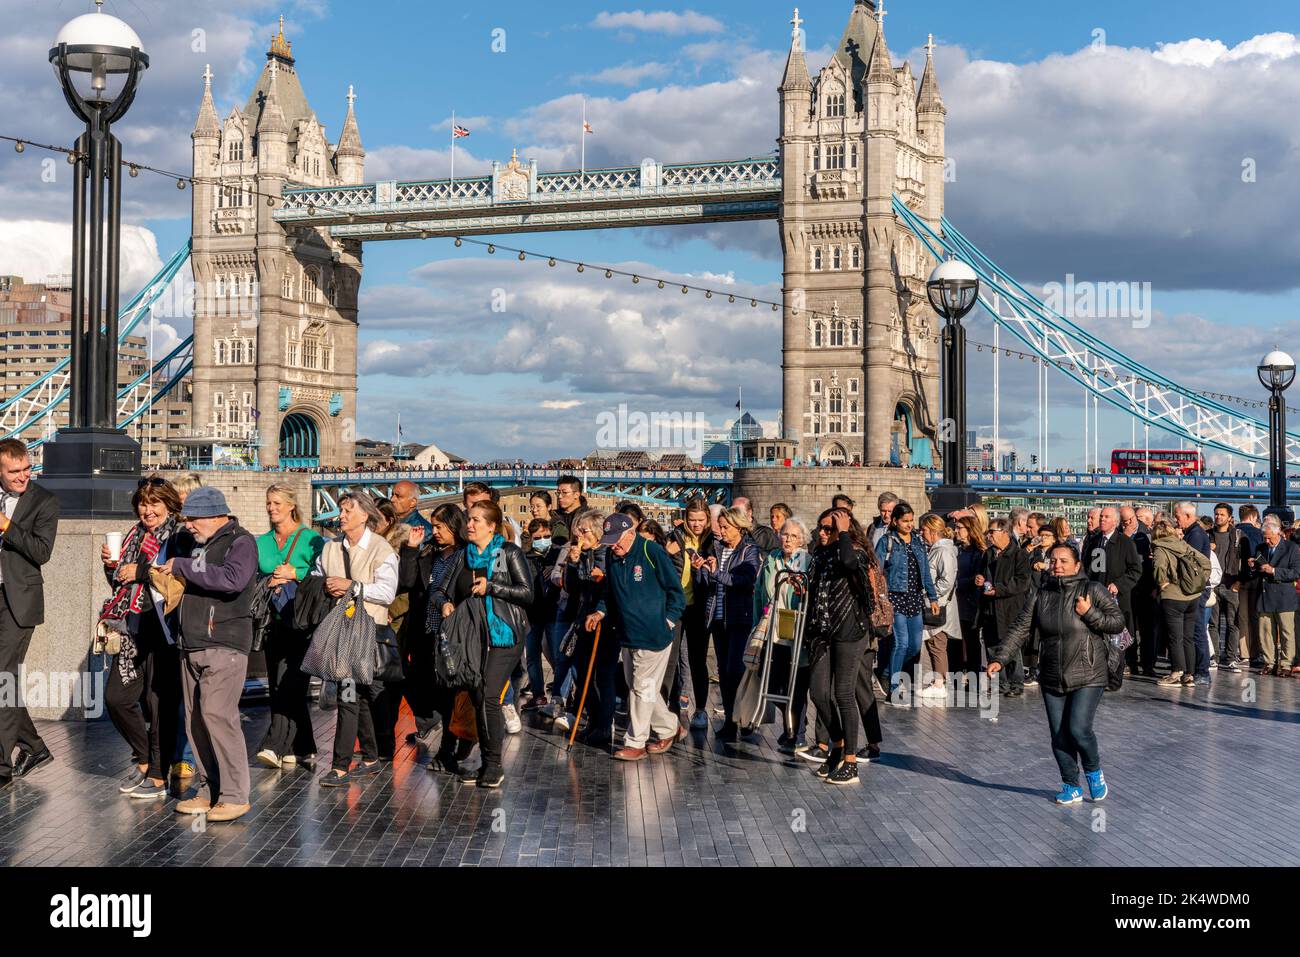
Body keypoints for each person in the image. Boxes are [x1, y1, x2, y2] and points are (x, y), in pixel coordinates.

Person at [988, 543, 1124, 805]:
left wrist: (1090, 613)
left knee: (1078, 729)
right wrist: (1000, 658)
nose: (1057, 565)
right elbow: (1020, 628)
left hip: (1088, 672)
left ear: (1077, 565)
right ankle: (1071, 784)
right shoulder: (1041, 594)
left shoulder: (1092, 590)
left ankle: (1094, 771)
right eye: (1053, 561)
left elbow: (1117, 622)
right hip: (1051, 674)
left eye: (1063, 561)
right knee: (1059, 734)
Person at [163, 487, 258, 822]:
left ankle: (234, 795)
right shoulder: (194, 543)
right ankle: (209, 790)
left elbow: (232, 580)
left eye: (194, 518)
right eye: (186, 518)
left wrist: (184, 567)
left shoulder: (241, 542)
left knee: (218, 715)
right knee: (195, 721)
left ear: (217, 514)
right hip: (191, 642)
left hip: (225, 643)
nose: (188, 525)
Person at [98, 478, 189, 799]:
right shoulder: (134, 533)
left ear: (168, 504)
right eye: (142, 503)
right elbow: (121, 583)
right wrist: (112, 566)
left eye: (154, 503)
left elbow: (179, 575)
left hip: (166, 628)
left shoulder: (180, 535)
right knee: (117, 698)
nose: (147, 510)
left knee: (158, 702)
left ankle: (159, 775)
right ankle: (146, 759)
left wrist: (139, 570)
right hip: (134, 626)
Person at [439, 500, 533, 787]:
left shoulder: (505, 553)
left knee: (489, 695)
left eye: (477, 520)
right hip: (472, 637)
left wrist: (492, 587)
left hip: (504, 633)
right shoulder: (463, 557)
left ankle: (493, 766)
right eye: (469, 519)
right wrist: (444, 603)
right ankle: (483, 762)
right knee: (478, 695)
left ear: (492, 526)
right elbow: (441, 589)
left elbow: (527, 593)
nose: (470, 524)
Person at [315, 494, 400, 788]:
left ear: (365, 515)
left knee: (347, 693)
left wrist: (352, 586)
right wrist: (323, 585)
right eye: (341, 510)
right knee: (358, 694)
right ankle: (371, 756)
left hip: (367, 630)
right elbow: (317, 577)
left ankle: (339, 766)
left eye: (348, 510)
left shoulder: (381, 548)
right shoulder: (329, 548)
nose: (341, 515)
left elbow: (388, 593)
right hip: (339, 629)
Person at [589, 515, 686, 761]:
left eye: (617, 541)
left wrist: (668, 620)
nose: (614, 546)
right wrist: (601, 611)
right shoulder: (613, 555)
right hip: (627, 633)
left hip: (654, 633)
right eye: (610, 542)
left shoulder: (651, 551)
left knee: (642, 689)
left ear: (630, 534)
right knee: (639, 687)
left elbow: (676, 592)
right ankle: (670, 728)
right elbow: (610, 590)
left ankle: (636, 742)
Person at [0, 439, 59, 791]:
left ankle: (2, 767)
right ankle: (34, 746)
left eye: (26, 469)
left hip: (17, 603)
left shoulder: (45, 501)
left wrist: (7, 527)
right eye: (14, 472)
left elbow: (42, 551)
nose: (23, 477)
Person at [805, 508, 878, 785]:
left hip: (850, 631)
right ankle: (836, 745)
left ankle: (850, 762)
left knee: (844, 693)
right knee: (819, 692)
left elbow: (848, 563)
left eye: (829, 529)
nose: (822, 533)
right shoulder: (820, 554)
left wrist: (844, 532)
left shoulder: (854, 551)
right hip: (822, 633)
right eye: (820, 528)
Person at [253, 485, 324, 770]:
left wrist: (295, 572)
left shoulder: (310, 539)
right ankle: (303, 746)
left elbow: (325, 572)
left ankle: (273, 746)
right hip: (272, 621)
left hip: (302, 622)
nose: (272, 508)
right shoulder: (263, 541)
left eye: (277, 503)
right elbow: (254, 572)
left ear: (292, 505)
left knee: (291, 685)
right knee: (277, 684)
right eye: (269, 503)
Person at [401, 504, 468, 773]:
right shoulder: (430, 552)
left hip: (451, 633)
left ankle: (451, 747)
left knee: (450, 691)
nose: (435, 531)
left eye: (440, 526)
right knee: (418, 681)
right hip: (425, 630)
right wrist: (411, 550)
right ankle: (439, 729)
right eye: (434, 526)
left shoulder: (465, 556)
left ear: (455, 526)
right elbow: (407, 581)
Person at [694, 506, 761, 740]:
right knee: (723, 671)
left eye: (725, 527)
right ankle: (731, 722)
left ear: (739, 527)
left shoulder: (749, 550)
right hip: (718, 617)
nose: (720, 531)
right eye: (720, 526)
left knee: (736, 670)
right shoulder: (716, 548)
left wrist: (716, 574)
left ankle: (745, 718)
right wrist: (702, 570)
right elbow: (708, 583)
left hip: (739, 618)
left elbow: (744, 580)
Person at [750, 516, 811, 749]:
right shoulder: (771, 560)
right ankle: (794, 722)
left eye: (794, 536)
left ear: (802, 540)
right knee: (773, 682)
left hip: (796, 627)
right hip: (772, 628)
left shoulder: (807, 562)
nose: (788, 539)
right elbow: (758, 593)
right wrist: (757, 624)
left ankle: (798, 733)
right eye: (785, 534)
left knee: (796, 683)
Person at [875, 500, 939, 699]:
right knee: (901, 643)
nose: (909, 525)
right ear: (895, 521)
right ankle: (893, 689)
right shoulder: (887, 541)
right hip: (895, 598)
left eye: (911, 521)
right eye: (905, 521)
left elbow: (926, 572)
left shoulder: (918, 541)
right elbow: (876, 572)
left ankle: (885, 673)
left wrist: (932, 596)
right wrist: (879, 598)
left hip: (915, 599)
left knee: (914, 646)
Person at [667, 497, 714, 730]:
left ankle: (701, 709)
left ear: (707, 520)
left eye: (700, 520)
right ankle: (672, 709)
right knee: (672, 659)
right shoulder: (674, 537)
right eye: (692, 520)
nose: (696, 524)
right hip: (676, 605)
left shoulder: (712, 542)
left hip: (699, 606)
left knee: (697, 660)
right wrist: (667, 553)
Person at [976, 518, 1032, 696]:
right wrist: (979, 580)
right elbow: (982, 574)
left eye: (992, 531)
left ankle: (1016, 683)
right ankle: (1001, 683)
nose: (989, 535)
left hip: (1009, 608)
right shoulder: (988, 554)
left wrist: (998, 590)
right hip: (990, 608)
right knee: (992, 645)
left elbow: (1022, 582)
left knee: (1011, 645)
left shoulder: (1019, 555)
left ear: (1004, 533)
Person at [1153, 519, 1206, 687]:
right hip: (1192, 597)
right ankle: (1189, 675)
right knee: (1188, 637)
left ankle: (1176, 672)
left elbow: (1159, 568)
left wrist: (1162, 583)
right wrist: (1198, 583)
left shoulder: (1160, 547)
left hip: (1173, 597)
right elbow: (1205, 562)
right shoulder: (1183, 544)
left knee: (1175, 637)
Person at [1250, 515, 1300, 677]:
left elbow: (1296, 572)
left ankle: (1286, 663)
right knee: (1265, 632)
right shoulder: (1261, 547)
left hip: (1284, 596)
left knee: (1286, 632)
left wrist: (1274, 571)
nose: (1267, 542)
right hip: (1265, 596)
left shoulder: (1291, 548)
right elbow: (1258, 570)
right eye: (1265, 538)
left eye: (1270, 538)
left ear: (1278, 533)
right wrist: (1254, 566)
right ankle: (1269, 662)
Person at [918, 514, 961, 700]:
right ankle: (937, 680)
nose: (921, 533)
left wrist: (929, 592)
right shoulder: (936, 549)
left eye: (924, 530)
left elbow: (947, 581)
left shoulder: (943, 551)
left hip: (939, 606)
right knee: (933, 643)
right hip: (933, 604)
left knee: (937, 644)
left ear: (934, 531)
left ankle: (939, 683)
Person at [1175, 502, 1213, 685]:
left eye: (1178, 516)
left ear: (1189, 516)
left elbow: (1190, 560)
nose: (1176, 520)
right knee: (1192, 630)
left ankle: (1202, 671)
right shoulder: (1191, 532)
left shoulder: (1196, 534)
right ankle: (1195, 668)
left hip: (1197, 588)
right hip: (1193, 587)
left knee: (1197, 630)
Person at [1208, 503, 1243, 673]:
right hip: (1213, 585)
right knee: (1213, 624)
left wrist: (1239, 582)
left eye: (1222, 514)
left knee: (1232, 623)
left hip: (1231, 585)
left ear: (1230, 517)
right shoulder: (1208, 536)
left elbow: (1247, 561)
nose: (1218, 517)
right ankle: (1214, 657)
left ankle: (1231, 658)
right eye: (1216, 514)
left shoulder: (1237, 536)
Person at [953, 517, 987, 678]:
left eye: (959, 527)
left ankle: (974, 676)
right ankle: (959, 674)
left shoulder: (978, 552)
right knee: (958, 641)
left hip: (970, 602)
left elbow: (977, 578)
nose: (956, 530)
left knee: (971, 641)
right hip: (957, 601)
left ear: (969, 529)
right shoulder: (958, 549)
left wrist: (958, 583)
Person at [1236, 505, 1264, 667]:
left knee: (1242, 617)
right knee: (1255, 616)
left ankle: (1244, 653)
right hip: (1256, 578)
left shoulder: (1234, 532)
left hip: (1237, 579)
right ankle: (1256, 651)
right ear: (1253, 517)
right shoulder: (1259, 534)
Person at [549, 475, 583, 546]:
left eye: (564, 493)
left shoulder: (589, 517)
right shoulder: (553, 516)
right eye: (558, 492)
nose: (560, 496)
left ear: (576, 494)